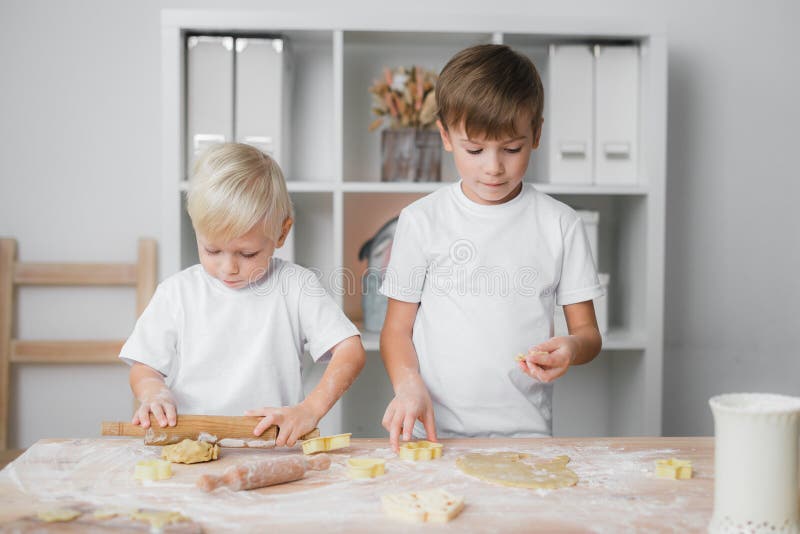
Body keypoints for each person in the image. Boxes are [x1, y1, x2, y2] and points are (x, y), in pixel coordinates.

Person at [379, 44, 603, 449]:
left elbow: (588, 333)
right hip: (431, 433)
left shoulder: (559, 224)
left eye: (512, 149)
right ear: (446, 137)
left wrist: (571, 347)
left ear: (536, 134)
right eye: (475, 149)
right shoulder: (421, 220)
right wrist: (407, 386)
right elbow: (397, 330)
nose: (493, 167)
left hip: (526, 435)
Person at [120, 143, 365, 446]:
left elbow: (350, 351)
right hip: (190, 447)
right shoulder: (177, 293)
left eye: (247, 253)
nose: (229, 267)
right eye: (212, 250)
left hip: (272, 450)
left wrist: (309, 410)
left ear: (281, 233)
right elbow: (145, 366)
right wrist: (152, 392)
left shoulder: (296, 287)